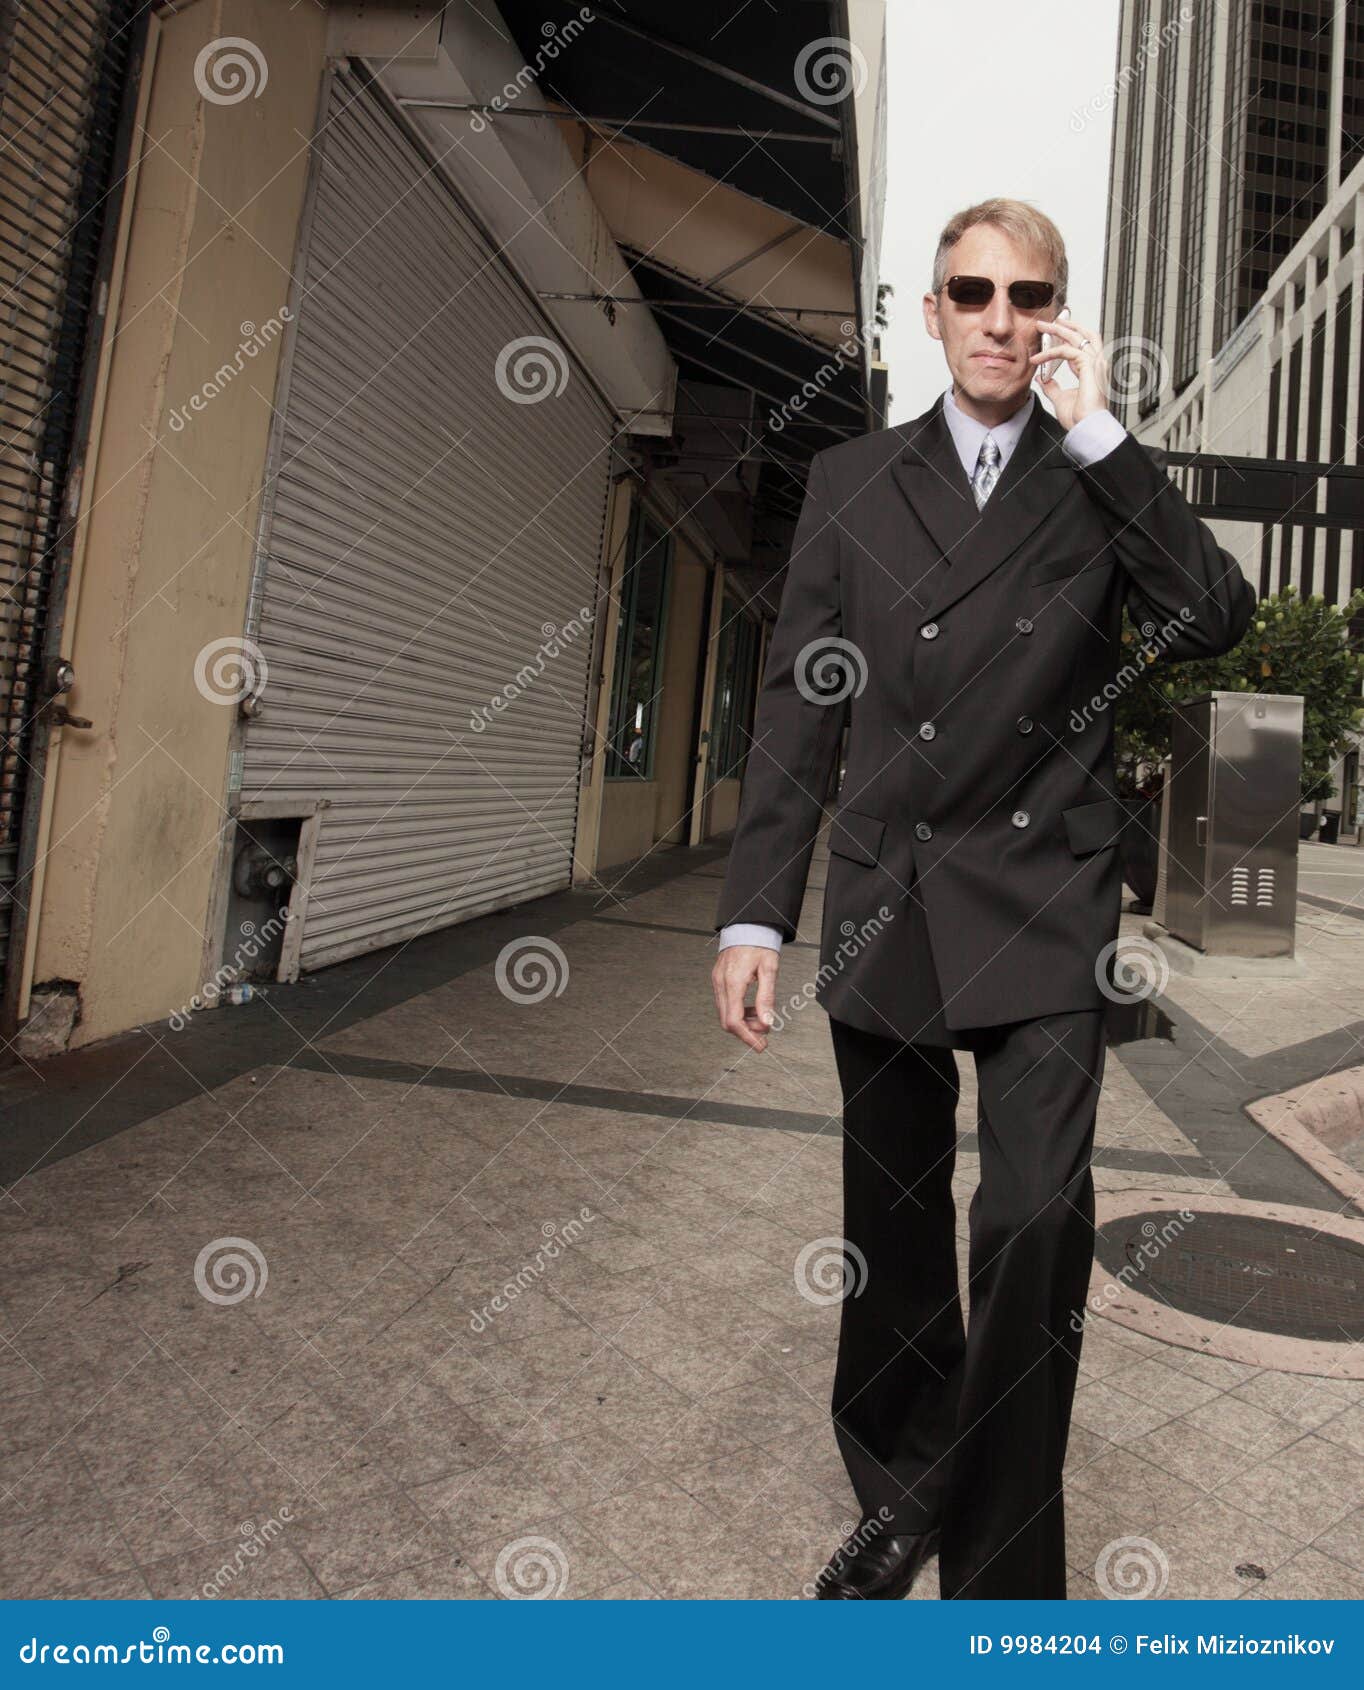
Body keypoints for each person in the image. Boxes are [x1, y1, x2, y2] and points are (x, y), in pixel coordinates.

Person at [710, 199, 1255, 1600]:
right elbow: (802, 703)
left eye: (1029, 295)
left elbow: (1214, 615)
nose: (1000, 319)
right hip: (889, 890)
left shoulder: (1096, 475)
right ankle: (903, 1491)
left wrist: (1104, 434)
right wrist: (756, 911)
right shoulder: (851, 480)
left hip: (1044, 897)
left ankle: (1001, 1566)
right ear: (931, 311)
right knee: (893, 1234)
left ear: (1058, 314)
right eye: (973, 292)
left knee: (1030, 1222)